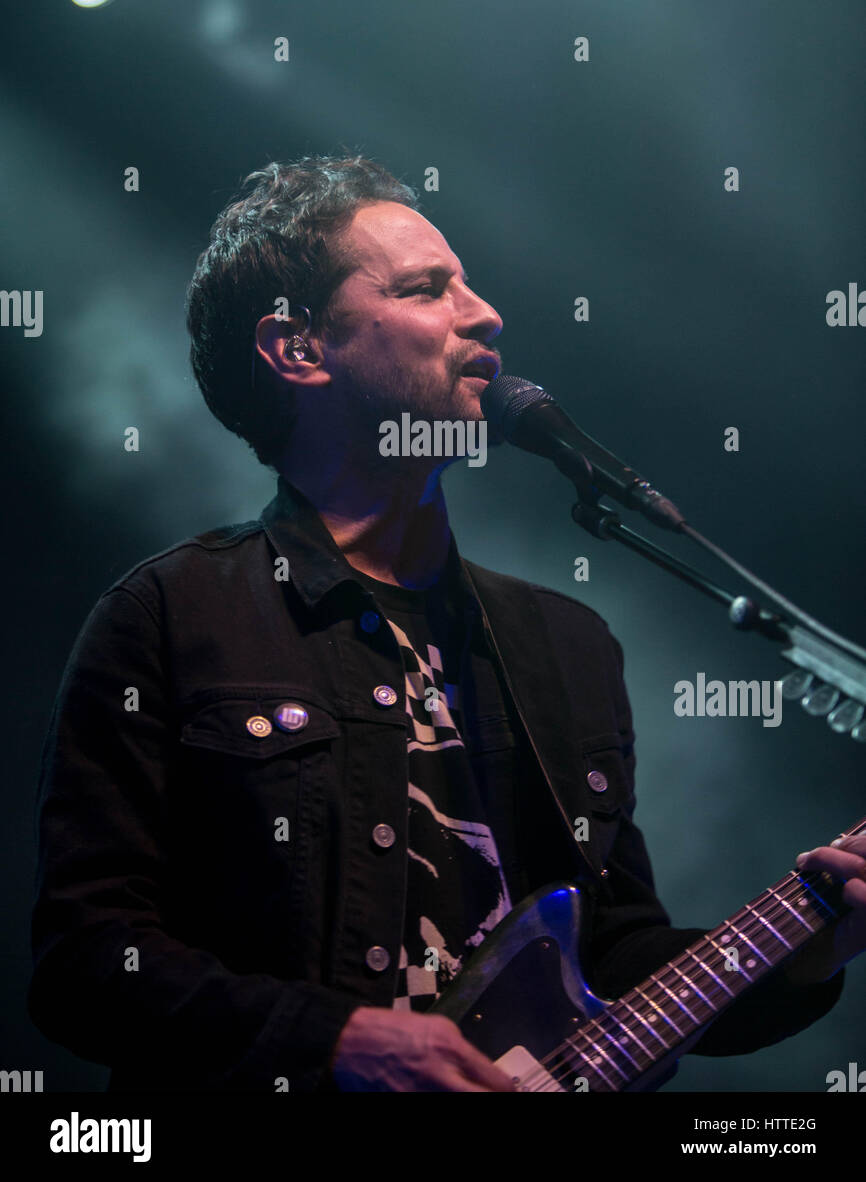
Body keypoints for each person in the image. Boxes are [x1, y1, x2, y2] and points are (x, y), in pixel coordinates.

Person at [29, 156, 866, 1093]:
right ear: (297, 349)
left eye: (466, 284)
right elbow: (86, 963)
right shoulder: (173, 617)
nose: (486, 314)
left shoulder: (567, 644)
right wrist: (337, 1040)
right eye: (428, 289)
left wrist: (813, 940)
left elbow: (616, 955)